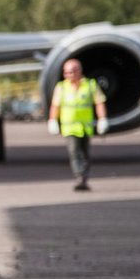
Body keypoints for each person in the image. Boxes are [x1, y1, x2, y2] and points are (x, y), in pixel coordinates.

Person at [48, 58, 108, 191]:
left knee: (84, 152)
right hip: (69, 127)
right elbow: (55, 105)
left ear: (79, 71)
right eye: (66, 72)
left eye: (72, 72)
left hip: (85, 127)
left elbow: (99, 102)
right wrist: (52, 120)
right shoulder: (61, 87)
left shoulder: (90, 85)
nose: (69, 75)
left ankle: (84, 175)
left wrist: (102, 119)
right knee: (74, 151)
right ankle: (80, 177)